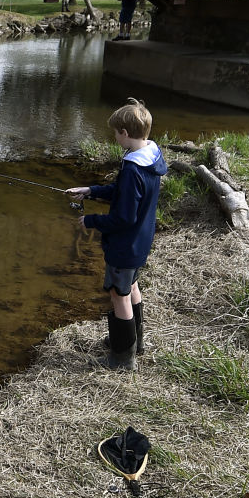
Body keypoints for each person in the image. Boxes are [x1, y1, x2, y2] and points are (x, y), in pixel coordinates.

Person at [67, 99, 168, 369]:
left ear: (124, 133)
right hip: (140, 240)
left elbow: (123, 217)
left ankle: (123, 358)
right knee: (131, 285)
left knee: (117, 293)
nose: (114, 137)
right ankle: (136, 340)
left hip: (125, 243)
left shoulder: (133, 169)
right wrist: (91, 190)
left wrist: (92, 220)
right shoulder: (150, 158)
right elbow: (122, 194)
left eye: (115, 133)